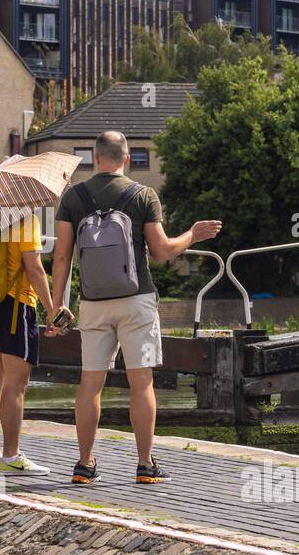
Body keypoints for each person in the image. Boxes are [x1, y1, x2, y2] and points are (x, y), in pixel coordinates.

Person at [50, 131, 222, 485]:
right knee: (141, 381)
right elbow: (161, 252)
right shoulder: (143, 195)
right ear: (127, 159)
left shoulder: (73, 198)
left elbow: (63, 256)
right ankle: (145, 465)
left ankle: (84, 464)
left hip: (94, 303)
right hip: (137, 301)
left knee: (90, 383)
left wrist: (57, 305)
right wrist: (192, 234)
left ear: (96, 158)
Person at [0, 210, 70, 476]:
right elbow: (34, 268)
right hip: (16, 303)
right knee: (16, 384)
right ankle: (11, 455)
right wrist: (52, 310)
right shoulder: (25, 219)